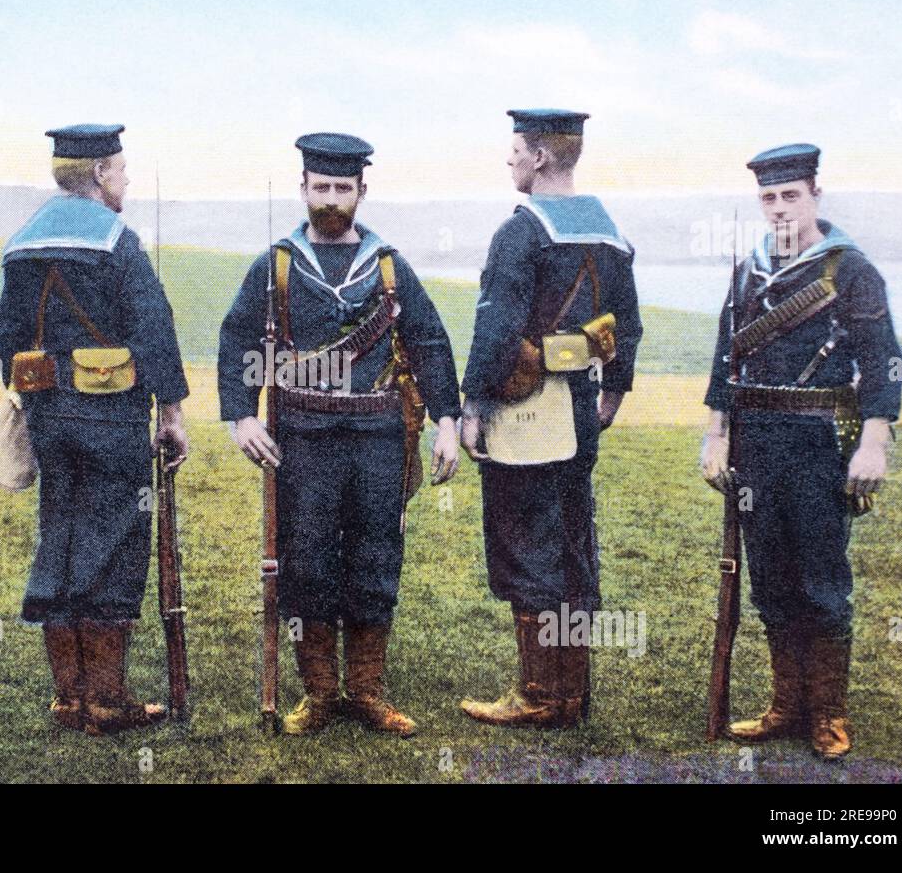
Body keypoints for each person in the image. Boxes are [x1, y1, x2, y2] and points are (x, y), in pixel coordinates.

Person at [218, 133, 461, 738]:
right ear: (303, 188)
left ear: (361, 192)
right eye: (320, 187)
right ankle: (320, 695)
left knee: (377, 557)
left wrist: (448, 421)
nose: (330, 199)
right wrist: (241, 416)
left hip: (378, 434)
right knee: (306, 562)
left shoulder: (386, 267)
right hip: (302, 437)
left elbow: (429, 341)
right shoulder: (276, 263)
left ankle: (368, 693)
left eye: (342, 189)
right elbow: (237, 339)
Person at [700, 143, 902, 761]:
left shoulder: (849, 270)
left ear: (816, 195)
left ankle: (827, 715)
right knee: (770, 579)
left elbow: (883, 361)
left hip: (819, 447)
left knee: (821, 582)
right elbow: (724, 362)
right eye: (769, 196)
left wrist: (875, 440)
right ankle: (786, 706)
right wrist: (717, 434)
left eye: (791, 195)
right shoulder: (749, 268)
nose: (780, 208)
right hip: (757, 444)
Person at [0, 124, 189, 735]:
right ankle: (106, 702)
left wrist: (37, 402)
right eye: (122, 169)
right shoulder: (116, 241)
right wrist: (174, 412)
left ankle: (66, 700)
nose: (125, 179)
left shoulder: (22, 243)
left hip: (50, 415)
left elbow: (6, 340)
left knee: (62, 539)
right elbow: (153, 327)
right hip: (111, 416)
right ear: (101, 173)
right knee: (117, 544)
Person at [459, 109, 642, 729]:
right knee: (572, 548)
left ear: (539, 157)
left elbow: (497, 330)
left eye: (514, 149)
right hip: (581, 412)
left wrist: (473, 405)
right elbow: (629, 326)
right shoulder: (610, 233)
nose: (508, 160)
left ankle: (539, 697)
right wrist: (612, 392)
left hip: (524, 413)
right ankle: (571, 697)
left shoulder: (521, 233)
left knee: (525, 548)